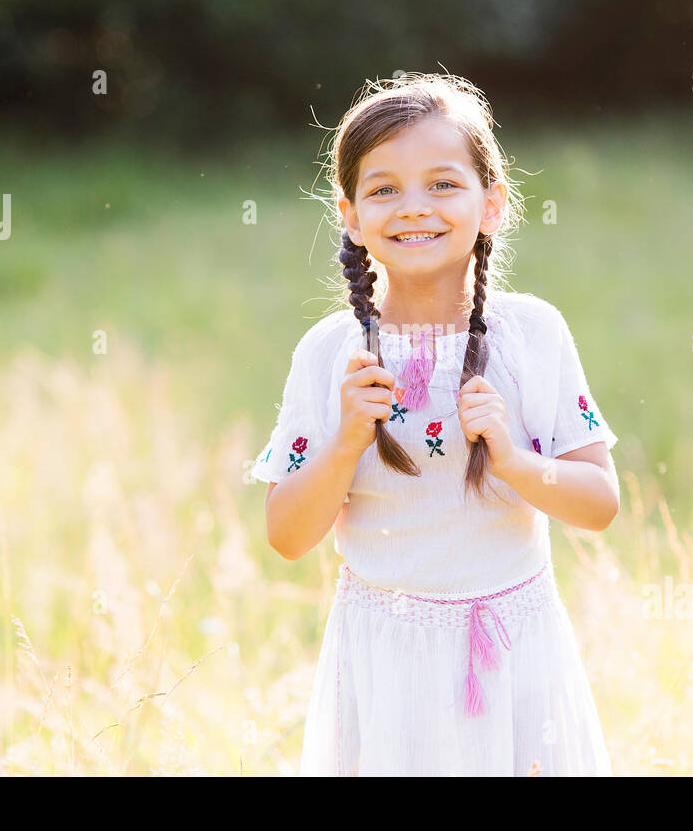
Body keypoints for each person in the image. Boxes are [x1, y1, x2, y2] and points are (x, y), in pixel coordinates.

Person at [248, 73, 620, 775]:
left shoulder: (533, 334)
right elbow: (287, 536)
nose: (413, 208)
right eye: (384, 188)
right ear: (351, 215)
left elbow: (599, 505)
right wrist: (345, 441)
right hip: (387, 665)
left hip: (516, 659)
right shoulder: (330, 353)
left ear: (492, 203)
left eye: (443, 184)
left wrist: (511, 457)